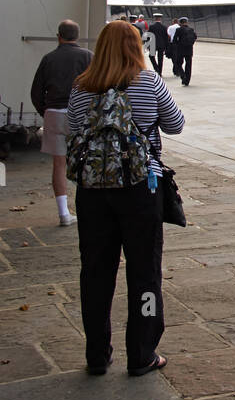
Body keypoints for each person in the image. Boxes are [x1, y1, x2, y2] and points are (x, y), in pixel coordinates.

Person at [66, 20, 184, 375]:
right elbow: (176, 124)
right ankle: (142, 352)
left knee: (96, 273)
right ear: (137, 47)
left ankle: (97, 355)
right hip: (140, 188)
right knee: (145, 273)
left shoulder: (82, 86)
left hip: (93, 191)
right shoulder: (149, 82)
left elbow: (73, 132)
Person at [30, 20, 94, 226]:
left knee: (59, 164)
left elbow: (36, 92)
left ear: (59, 36)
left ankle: (64, 213)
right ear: (77, 36)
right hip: (82, 114)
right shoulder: (87, 57)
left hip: (55, 113)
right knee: (87, 160)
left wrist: (45, 111)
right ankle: (89, 209)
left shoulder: (48, 59)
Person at [171, 16, 197, 86]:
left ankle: (183, 76)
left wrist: (177, 46)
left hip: (181, 50)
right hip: (189, 49)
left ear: (180, 23)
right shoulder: (191, 29)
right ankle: (187, 80)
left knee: (178, 63)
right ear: (186, 22)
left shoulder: (179, 30)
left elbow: (174, 40)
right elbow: (195, 37)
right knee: (188, 65)